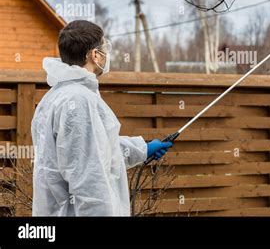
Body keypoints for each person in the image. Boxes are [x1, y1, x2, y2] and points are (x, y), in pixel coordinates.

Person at [31, 20, 172, 216]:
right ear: (94, 54)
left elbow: (96, 150)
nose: (106, 55)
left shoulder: (55, 97)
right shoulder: (78, 100)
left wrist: (142, 149)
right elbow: (89, 178)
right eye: (103, 48)